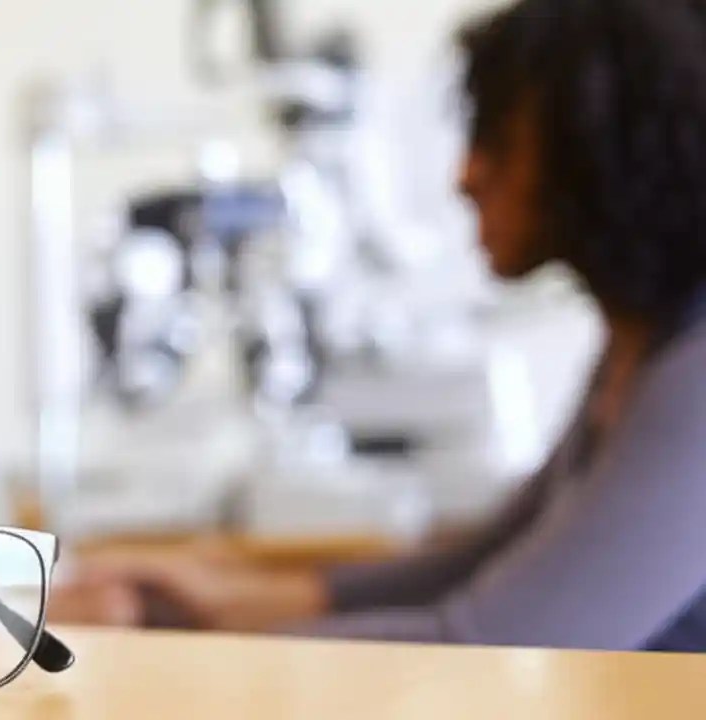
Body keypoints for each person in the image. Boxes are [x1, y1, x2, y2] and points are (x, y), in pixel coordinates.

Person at [57, 0, 706, 651]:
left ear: (602, 144)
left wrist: (161, 649)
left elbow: (492, 644)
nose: (466, 174)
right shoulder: (635, 347)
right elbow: (487, 561)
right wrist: (215, 598)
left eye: (498, 140)